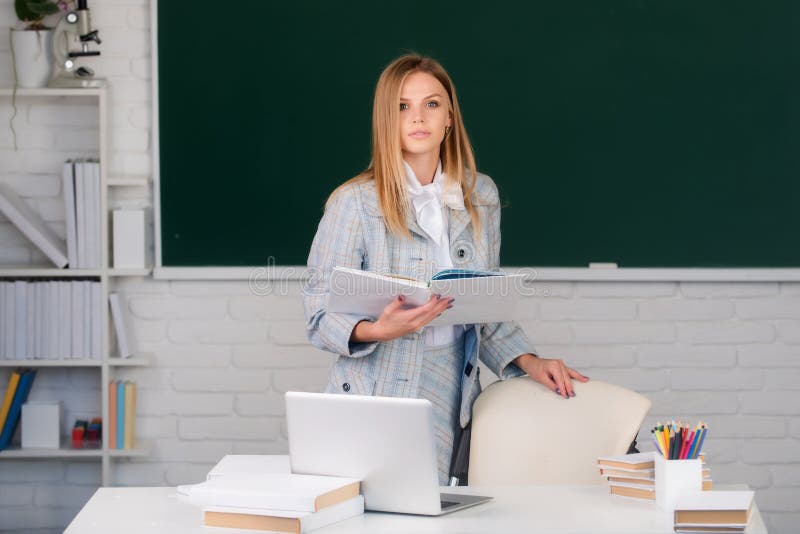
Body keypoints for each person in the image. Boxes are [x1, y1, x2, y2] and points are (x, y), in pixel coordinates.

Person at [303, 54, 588, 484]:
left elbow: (483, 307)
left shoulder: (481, 196)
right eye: (403, 106)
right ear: (387, 119)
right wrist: (378, 330)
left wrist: (529, 361)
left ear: (450, 115)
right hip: (374, 393)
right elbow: (320, 316)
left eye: (431, 104)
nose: (418, 117)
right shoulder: (354, 203)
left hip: (450, 392)